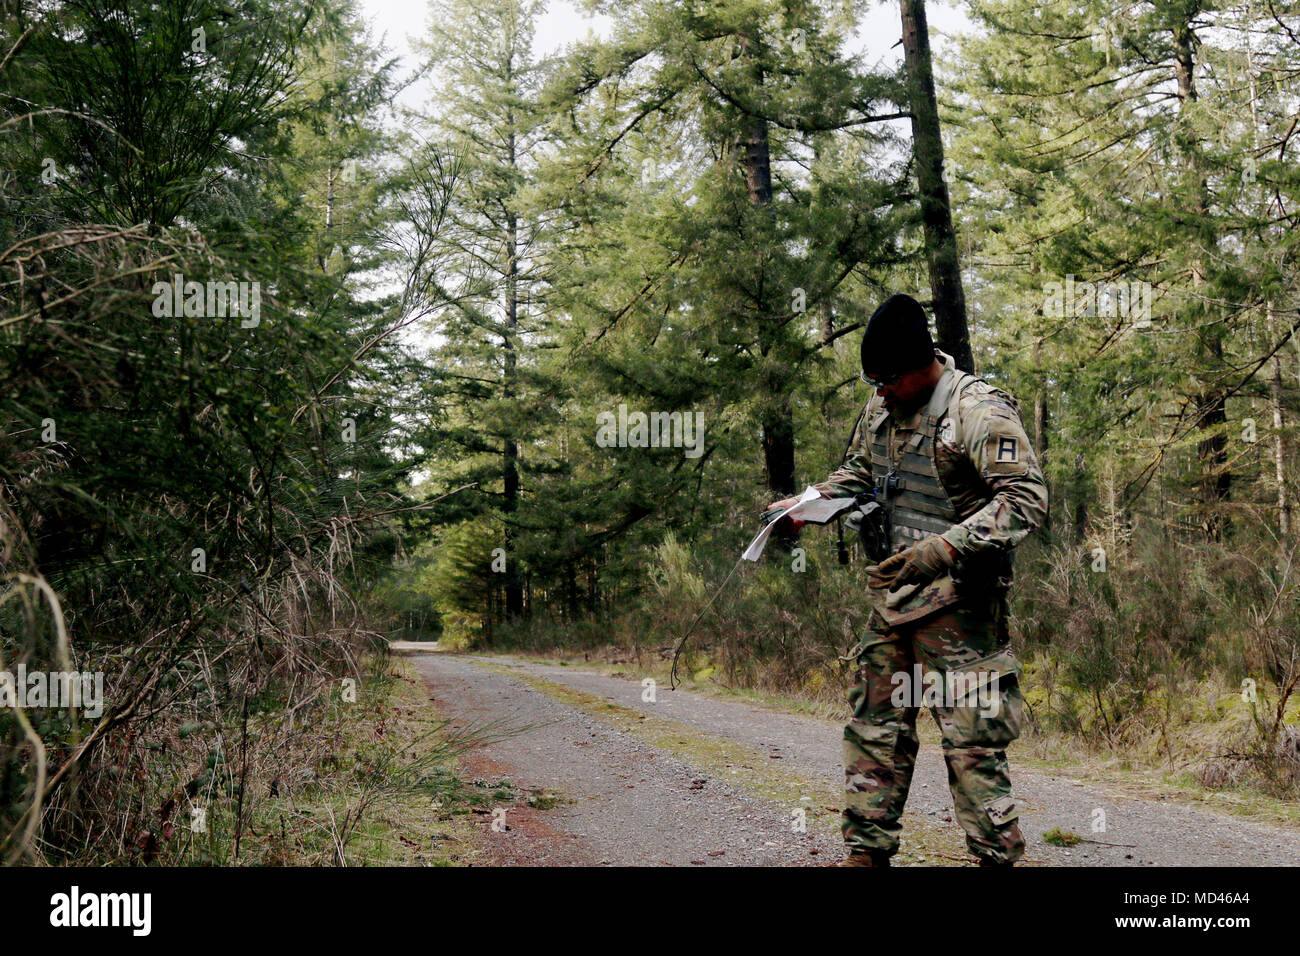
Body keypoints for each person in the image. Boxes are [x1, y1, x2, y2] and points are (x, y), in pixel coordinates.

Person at [770, 293, 1047, 866]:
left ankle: (996, 859)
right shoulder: (882, 407)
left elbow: (1026, 498)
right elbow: (861, 470)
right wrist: (808, 502)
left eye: (889, 379)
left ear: (925, 365)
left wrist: (945, 547)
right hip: (892, 603)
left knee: (971, 746)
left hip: (961, 607)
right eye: (872, 381)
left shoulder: (978, 411)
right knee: (875, 733)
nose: (880, 392)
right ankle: (865, 856)